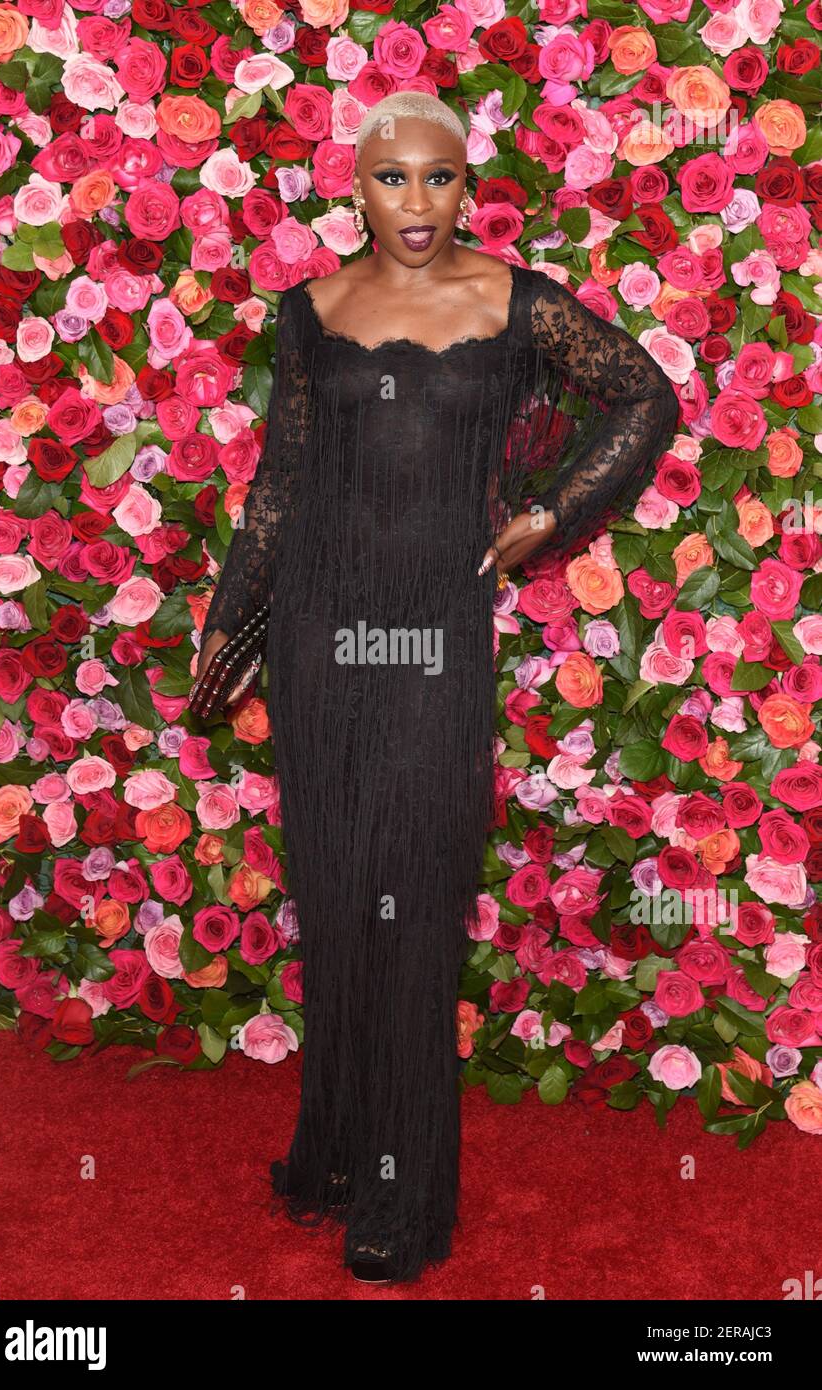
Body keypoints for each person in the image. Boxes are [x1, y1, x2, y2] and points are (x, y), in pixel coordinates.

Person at [190, 91, 680, 1286]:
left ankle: (404, 1196)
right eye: (391, 179)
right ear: (353, 188)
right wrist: (230, 621)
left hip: (430, 641)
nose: (417, 203)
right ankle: (347, 1149)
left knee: (411, 899)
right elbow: (280, 484)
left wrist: (543, 519)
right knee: (343, 895)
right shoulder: (308, 314)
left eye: (440, 176)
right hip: (320, 632)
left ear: (470, 184)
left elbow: (646, 398)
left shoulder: (513, 305)